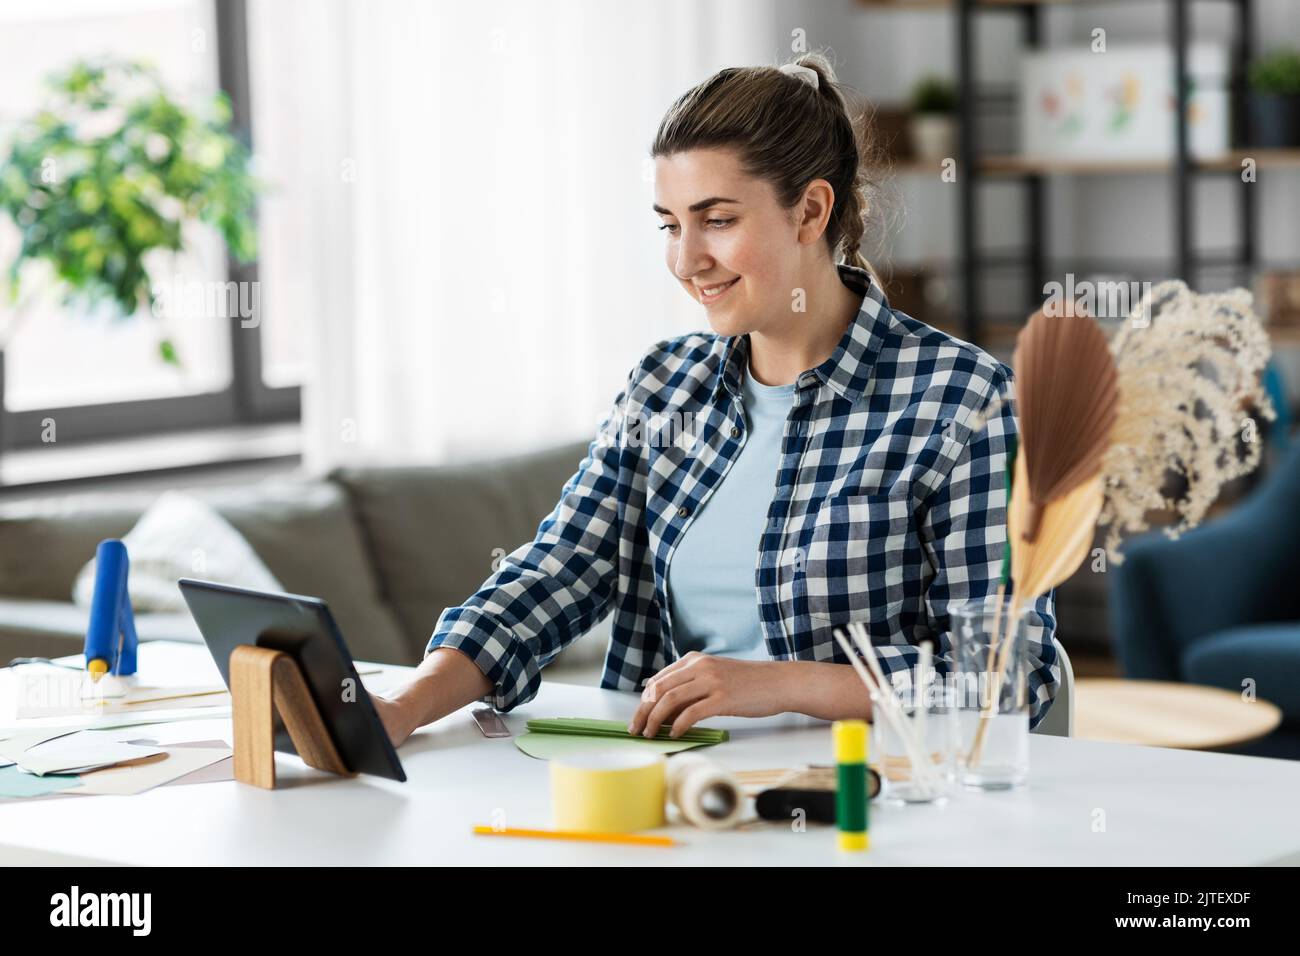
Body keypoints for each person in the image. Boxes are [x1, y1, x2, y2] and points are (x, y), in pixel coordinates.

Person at [371, 53, 1058, 748]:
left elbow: (1004, 679)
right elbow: (558, 573)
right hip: (676, 799)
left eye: (718, 221)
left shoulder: (961, 400)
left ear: (811, 211)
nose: (686, 259)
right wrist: (401, 706)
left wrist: (781, 683)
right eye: (670, 225)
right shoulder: (665, 387)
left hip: (868, 804)